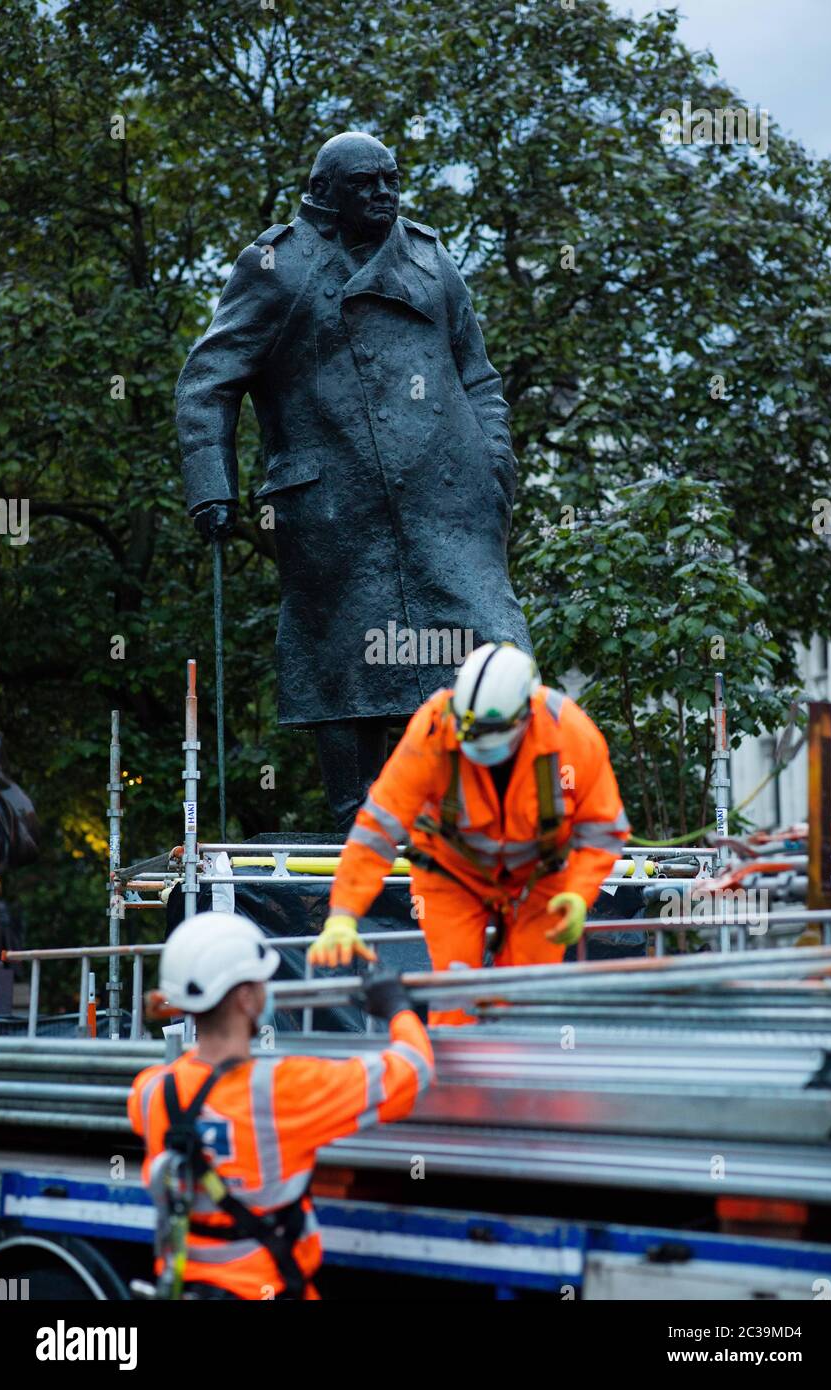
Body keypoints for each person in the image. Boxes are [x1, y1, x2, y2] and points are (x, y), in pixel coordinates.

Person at [175, 130, 531, 831]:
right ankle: (360, 827)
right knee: (344, 662)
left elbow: (479, 374)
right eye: (366, 183)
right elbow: (208, 380)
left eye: (391, 180)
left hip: (449, 499)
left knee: (492, 647)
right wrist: (211, 483)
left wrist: (496, 464)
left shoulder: (429, 257)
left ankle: (484, 819)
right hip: (334, 506)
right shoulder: (278, 265)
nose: (384, 194)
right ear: (326, 191)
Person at [309, 643, 630, 1025]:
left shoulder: (571, 736)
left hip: (541, 882)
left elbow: (603, 832)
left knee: (527, 1001)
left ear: (526, 714)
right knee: (454, 999)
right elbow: (377, 828)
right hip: (452, 878)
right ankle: (458, 1080)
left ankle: (521, 1080)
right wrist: (343, 916)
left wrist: (577, 895)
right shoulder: (433, 730)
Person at [128, 911, 433, 1299]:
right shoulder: (284, 1090)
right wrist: (397, 1008)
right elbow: (413, 1072)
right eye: (262, 982)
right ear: (244, 998)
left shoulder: (153, 1092)